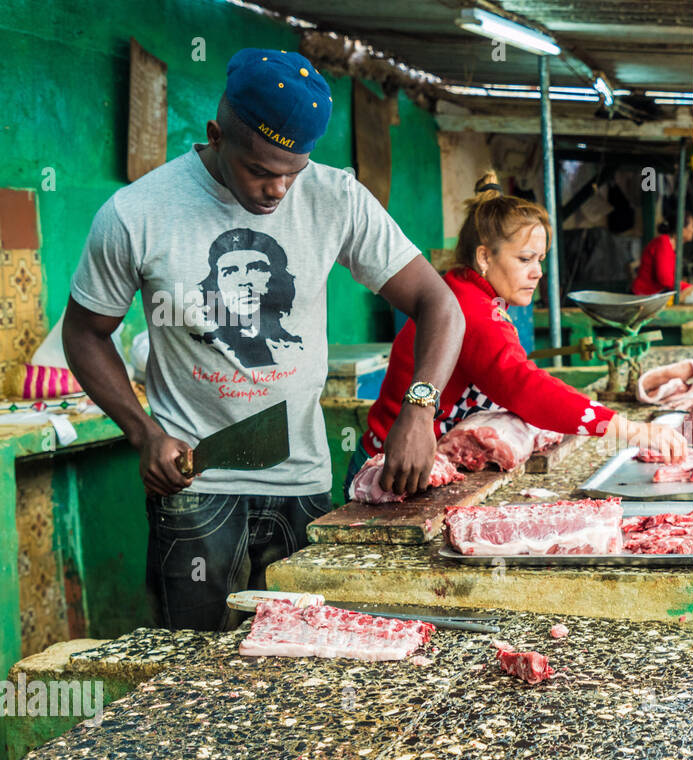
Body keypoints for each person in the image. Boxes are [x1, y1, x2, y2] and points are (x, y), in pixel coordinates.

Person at [62, 49, 465, 631]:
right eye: (260, 170)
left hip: (302, 480)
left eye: (292, 172)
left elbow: (440, 304)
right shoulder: (137, 213)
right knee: (195, 674)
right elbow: (85, 333)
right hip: (195, 487)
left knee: (306, 663)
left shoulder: (336, 198)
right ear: (216, 135)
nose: (277, 189)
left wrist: (420, 408)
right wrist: (143, 431)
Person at [356, 172, 687, 493]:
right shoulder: (471, 309)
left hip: (408, 464)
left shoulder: (469, 291)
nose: (538, 272)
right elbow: (524, 387)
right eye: (526, 259)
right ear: (484, 256)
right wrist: (626, 429)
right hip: (387, 473)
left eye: (540, 259)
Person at [633, 210, 693, 295]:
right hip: (645, 294)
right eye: (692, 226)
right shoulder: (663, 243)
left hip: (655, 293)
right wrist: (690, 288)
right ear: (682, 229)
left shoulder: (670, 245)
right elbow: (664, 279)